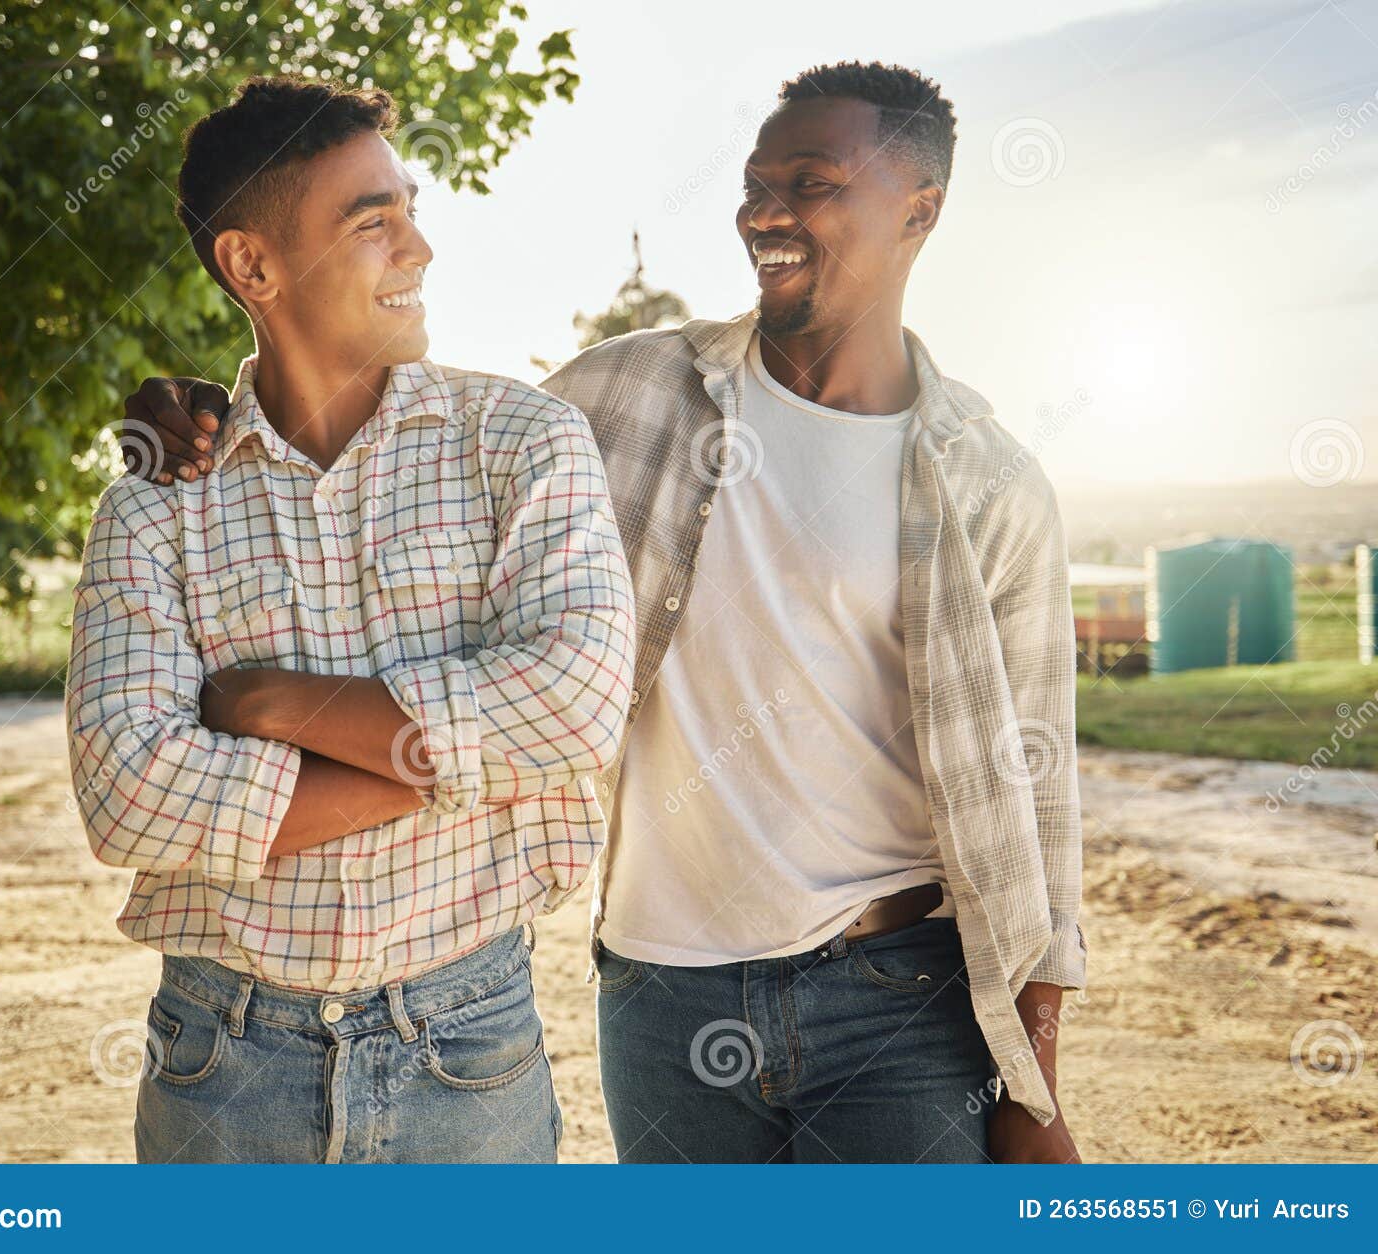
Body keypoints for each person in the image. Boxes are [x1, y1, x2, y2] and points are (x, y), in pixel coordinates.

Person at [122, 61, 1084, 1165]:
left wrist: (1033, 1090)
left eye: (810, 183)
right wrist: (199, 403)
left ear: (919, 210)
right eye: (753, 183)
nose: (763, 213)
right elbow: (372, 405)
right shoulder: (618, 397)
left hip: (893, 994)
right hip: (661, 996)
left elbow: (1037, 803)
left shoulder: (989, 490)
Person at [67, 75, 635, 1164]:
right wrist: (458, 763)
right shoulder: (159, 499)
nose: (416, 249)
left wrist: (277, 704)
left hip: (468, 1050)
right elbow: (128, 796)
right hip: (221, 1065)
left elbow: (575, 707)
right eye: (371, 221)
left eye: (409, 210)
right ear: (251, 264)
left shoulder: (518, 442)